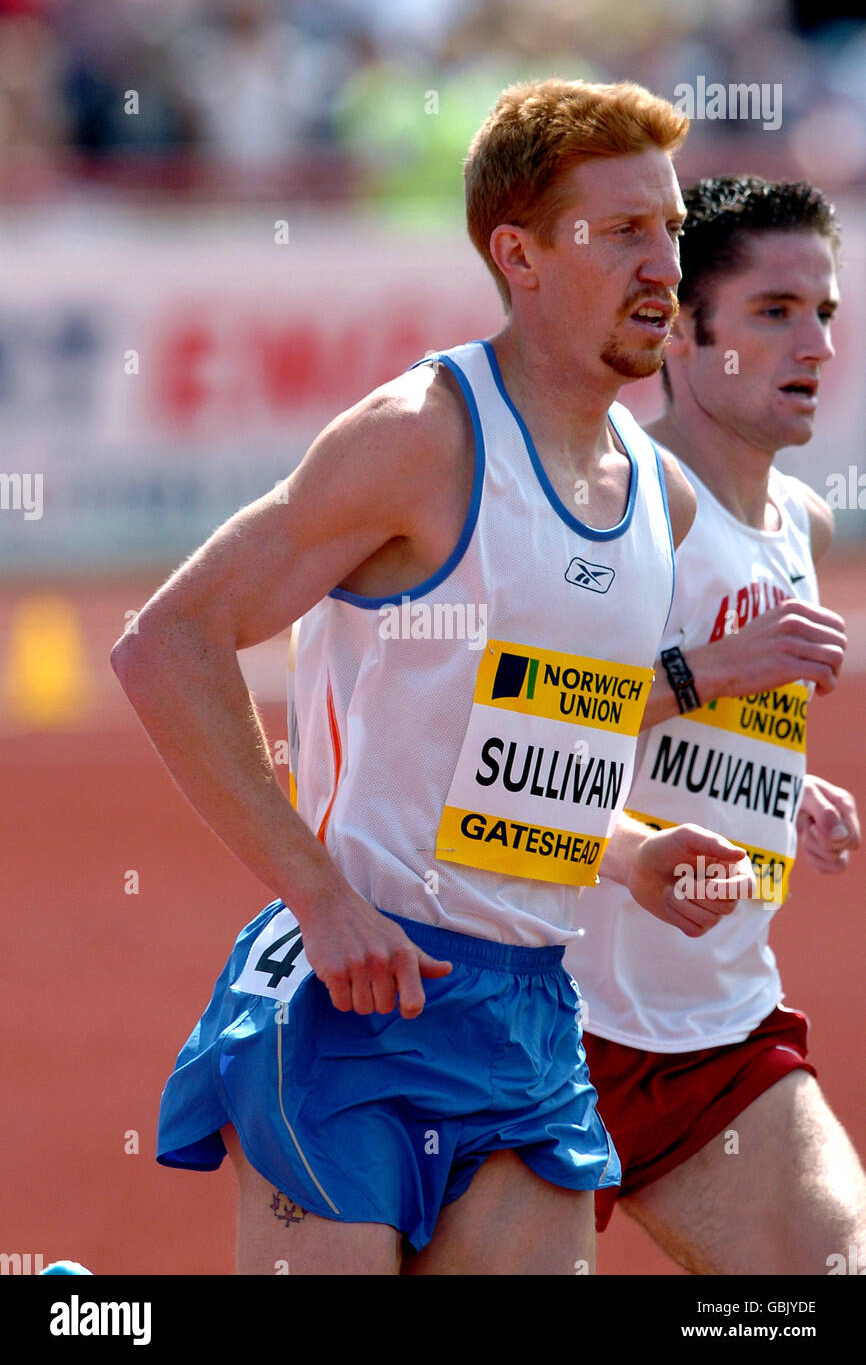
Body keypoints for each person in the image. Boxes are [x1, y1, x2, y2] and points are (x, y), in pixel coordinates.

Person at [110, 80, 753, 1277]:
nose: (663, 261)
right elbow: (167, 643)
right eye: (620, 231)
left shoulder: (657, 498)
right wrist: (321, 898)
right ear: (516, 252)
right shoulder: (422, 436)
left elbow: (500, 746)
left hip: (526, 1021)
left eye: (669, 227)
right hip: (360, 1000)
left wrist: (620, 848)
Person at [569, 176, 866, 1274]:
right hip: (545, 1023)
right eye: (773, 310)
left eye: (823, 312)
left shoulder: (802, 524)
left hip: (712, 1033)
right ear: (682, 333)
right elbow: (512, 718)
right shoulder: (610, 502)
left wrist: (780, 788)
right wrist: (717, 666)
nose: (816, 345)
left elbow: (688, 738)